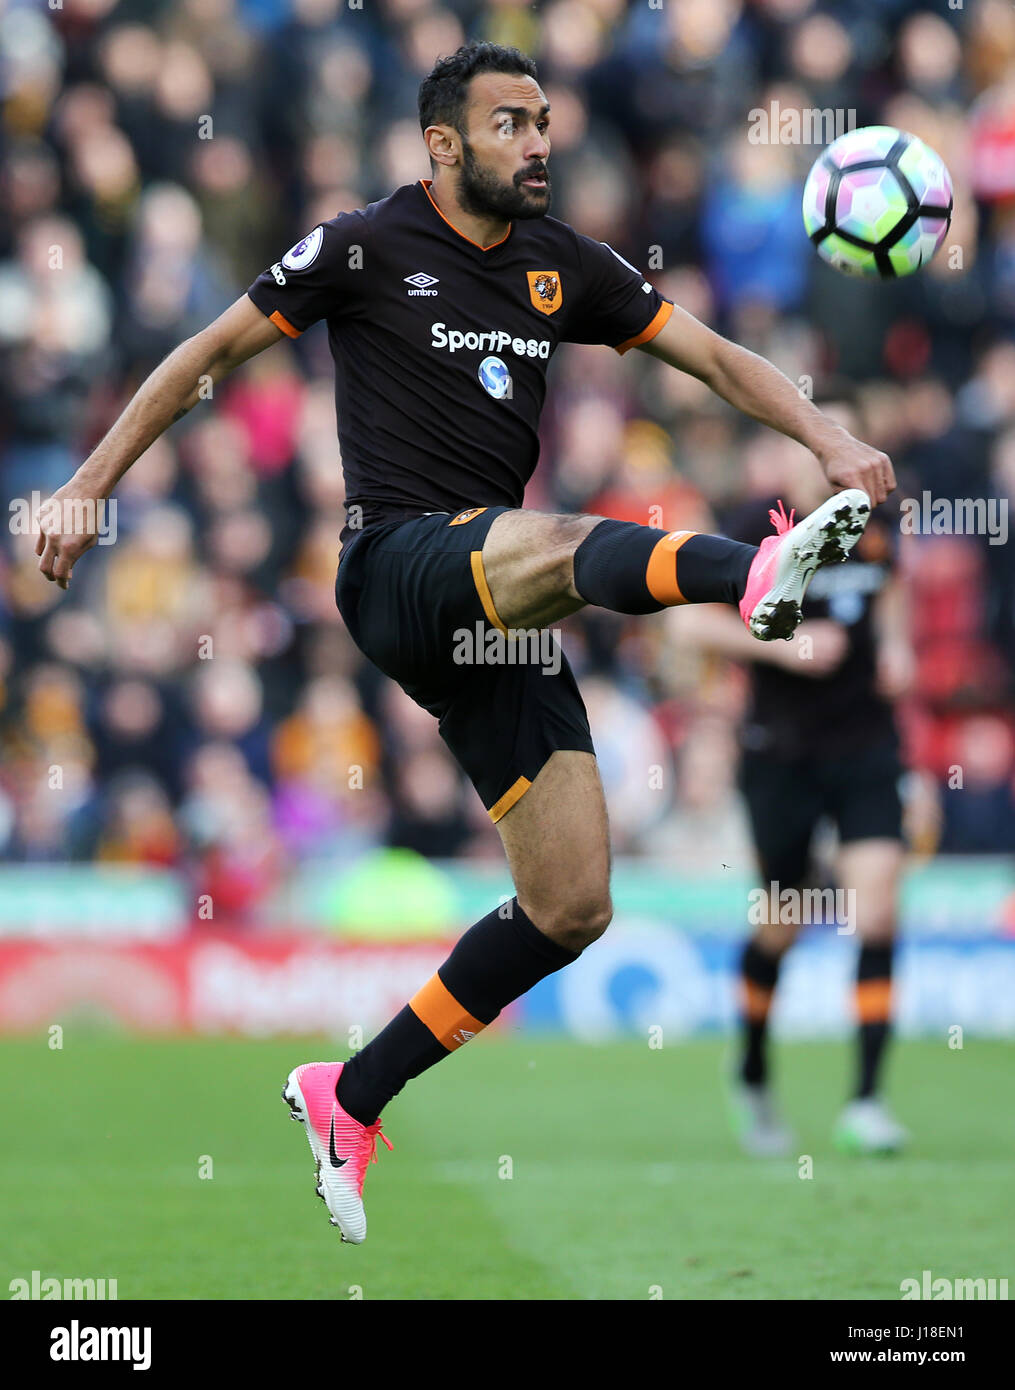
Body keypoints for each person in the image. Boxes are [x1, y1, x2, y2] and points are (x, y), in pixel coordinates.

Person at [37, 43, 894, 1243]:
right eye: (509, 123)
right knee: (559, 536)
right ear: (443, 146)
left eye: (542, 120)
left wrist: (825, 435)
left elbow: (709, 355)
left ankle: (352, 1091)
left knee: (570, 902)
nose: (538, 141)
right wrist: (87, 484)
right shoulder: (361, 246)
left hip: (494, 614)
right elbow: (202, 360)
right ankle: (748, 572)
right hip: (395, 565)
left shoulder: (563, 265)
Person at [676, 408, 912, 1157]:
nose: (828, 455)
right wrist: (785, 649)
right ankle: (749, 1067)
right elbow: (687, 627)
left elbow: (892, 586)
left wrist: (899, 645)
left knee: (876, 907)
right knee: (782, 920)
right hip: (780, 751)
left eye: (842, 439)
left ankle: (867, 1100)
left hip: (866, 740)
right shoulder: (754, 523)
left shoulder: (878, 513)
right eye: (816, 438)